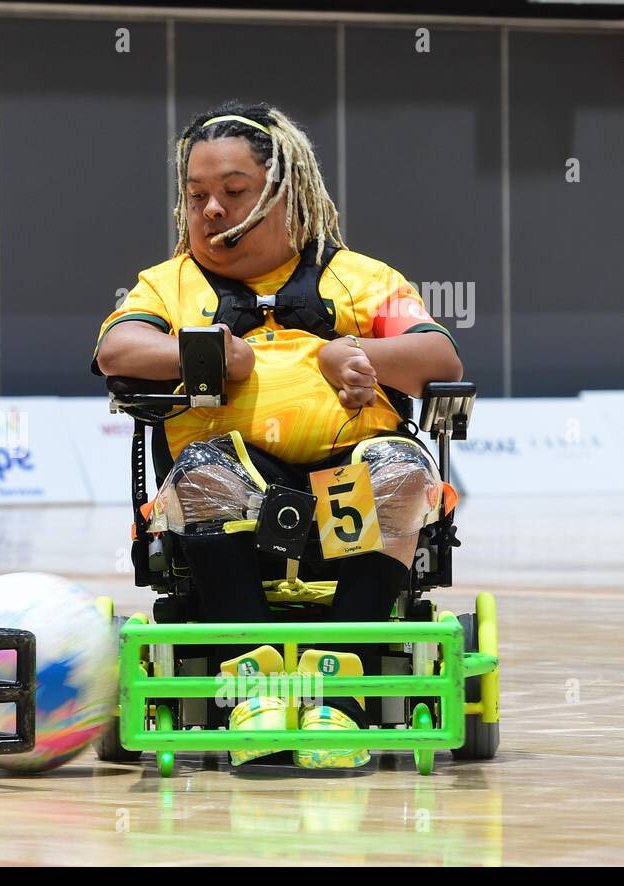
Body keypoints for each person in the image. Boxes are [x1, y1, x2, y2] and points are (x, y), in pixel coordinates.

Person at [93, 102, 463, 769]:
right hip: (233, 498)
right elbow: (119, 348)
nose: (211, 210)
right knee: (205, 466)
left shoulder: (363, 278)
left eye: (234, 192)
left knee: (398, 465)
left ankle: (339, 682)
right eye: (196, 194)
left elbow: (439, 357)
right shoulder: (167, 284)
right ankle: (251, 679)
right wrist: (203, 356)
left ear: (285, 191)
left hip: (342, 494)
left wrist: (359, 357)